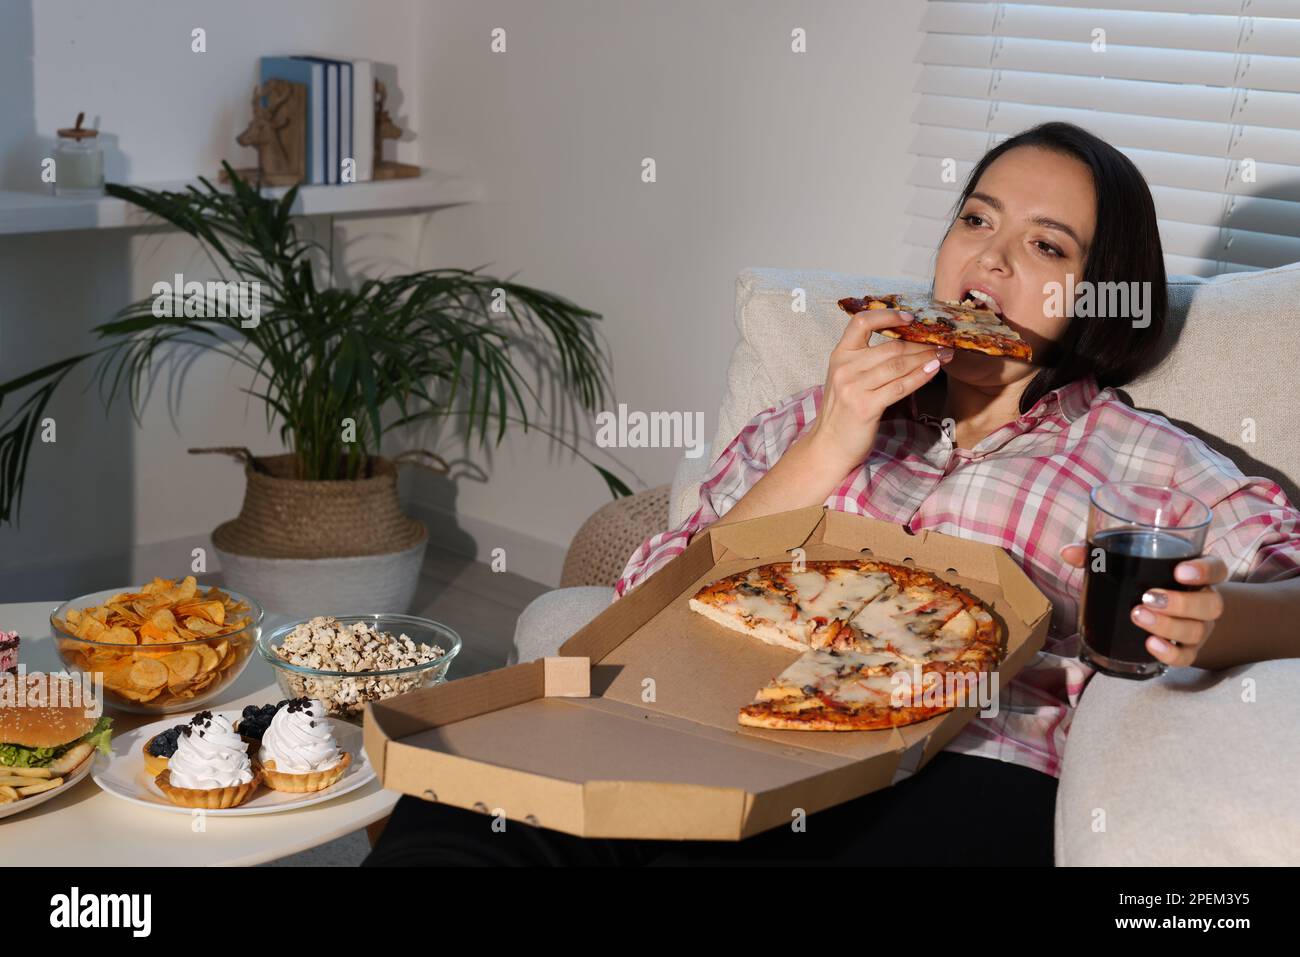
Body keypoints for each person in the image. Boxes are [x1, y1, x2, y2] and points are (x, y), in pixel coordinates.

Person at [364, 121, 1300, 867]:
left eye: (1045, 245)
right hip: (712, 720)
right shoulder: (825, 406)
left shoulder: (1144, 457)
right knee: (452, 810)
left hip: (959, 768)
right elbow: (648, 593)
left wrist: (1219, 622)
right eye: (976, 221)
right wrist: (831, 442)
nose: (993, 261)